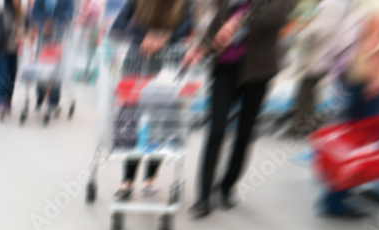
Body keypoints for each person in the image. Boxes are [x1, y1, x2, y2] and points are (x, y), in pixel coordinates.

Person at [186, 0, 295, 218]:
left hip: (258, 71)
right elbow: (218, 21)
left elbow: (276, 18)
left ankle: (227, 186)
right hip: (225, 69)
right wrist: (202, 46)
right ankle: (203, 197)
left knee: (244, 132)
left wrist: (239, 21)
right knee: (215, 129)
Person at [319, 7, 379, 218]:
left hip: (356, 79)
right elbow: (377, 41)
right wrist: (377, 78)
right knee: (358, 142)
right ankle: (335, 199)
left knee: (352, 139)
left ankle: (334, 196)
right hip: (368, 82)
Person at [110, 0, 192, 199]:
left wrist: (164, 37)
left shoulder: (184, 3)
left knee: (162, 119)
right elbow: (118, 27)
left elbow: (188, 26)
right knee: (131, 120)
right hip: (137, 62)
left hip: (167, 64)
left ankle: (150, 178)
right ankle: (127, 180)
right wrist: (143, 36)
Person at [288, 0, 348, 136]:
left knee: (306, 91)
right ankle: (305, 122)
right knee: (310, 89)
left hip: (318, 54)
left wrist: (304, 30)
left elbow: (321, 29)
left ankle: (303, 124)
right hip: (319, 54)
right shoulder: (333, 4)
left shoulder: (330, 5)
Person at [27, 0, 73, 112]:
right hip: (43, 36)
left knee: (56, 70)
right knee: (41, 66)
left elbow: (69, 14)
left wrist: (54, 22)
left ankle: (53, 101)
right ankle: (40, 96)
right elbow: (34, 12)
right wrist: (45, 21)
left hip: (58, 36)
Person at [0, 0, 22, 118]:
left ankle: (8, 101)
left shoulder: (20, 13)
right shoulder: (1, 10)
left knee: (12, 77)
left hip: (14, 51)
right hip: (2, 50)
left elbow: (27, 28)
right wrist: (12, 33)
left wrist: (22, 34)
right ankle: (1, 103)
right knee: (3, 76)